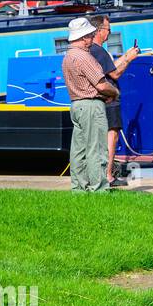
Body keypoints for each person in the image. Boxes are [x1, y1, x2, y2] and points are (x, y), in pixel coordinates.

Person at [61, 17, 119, 192]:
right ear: (84, 37)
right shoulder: (84, 57)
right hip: (91, 106)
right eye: (90, 35)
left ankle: (79, 187)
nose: (92, 39)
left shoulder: (68, 56)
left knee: (79, 150)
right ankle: (99, 188)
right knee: (97, 149)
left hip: (76, 105)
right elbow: (101, 84)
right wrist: (115, 93)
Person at [87, 14, 139, 187]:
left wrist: (125, 56)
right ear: (99, 31)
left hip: (97, 100)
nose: (109, 33)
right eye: (108, 29)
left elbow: (110, 68)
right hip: (109, 98)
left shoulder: (91, 51)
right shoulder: (99, 50)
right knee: (112, 135)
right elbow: (115, 74)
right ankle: (108, 176)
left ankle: (97, 175)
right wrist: (129, 60)